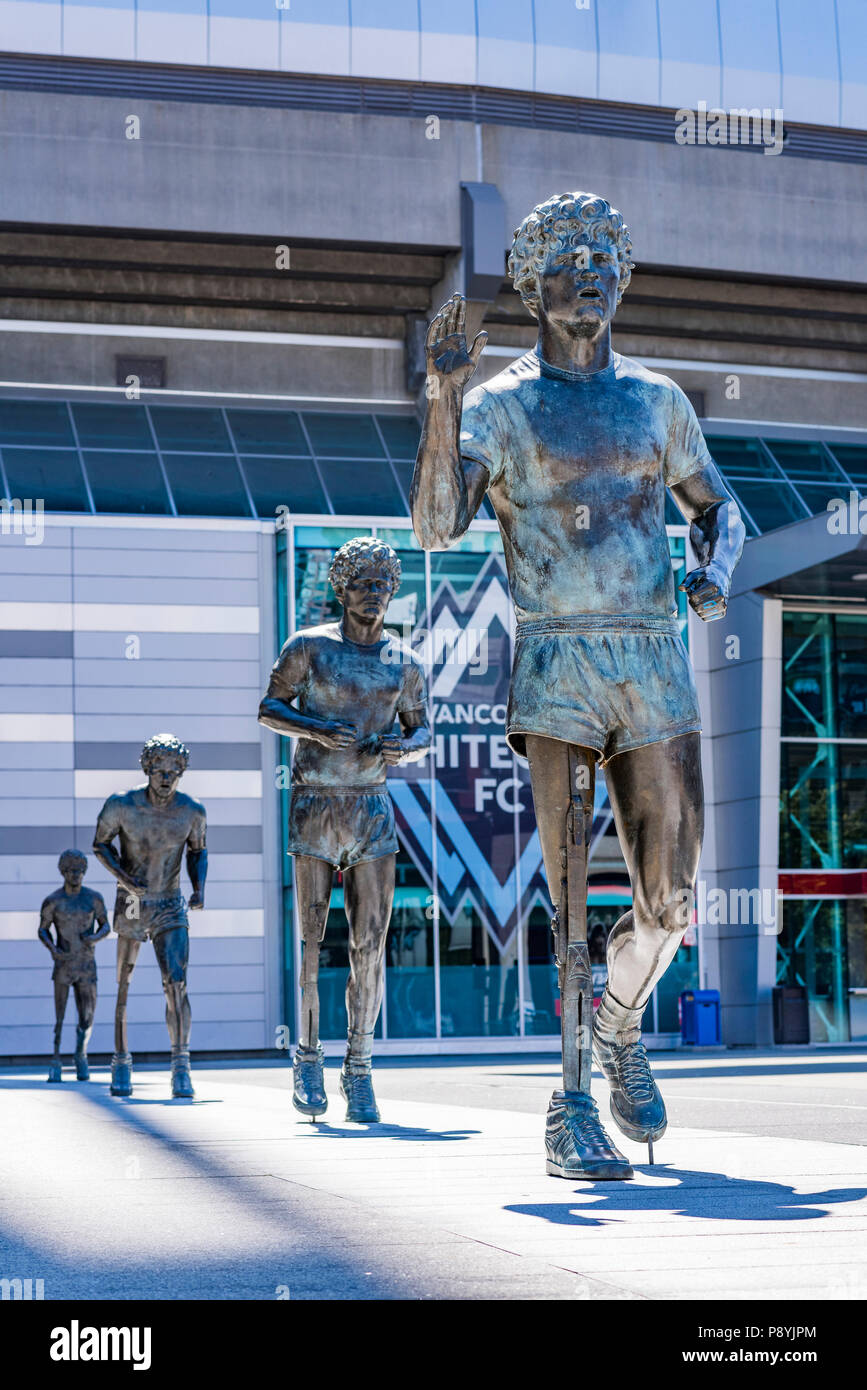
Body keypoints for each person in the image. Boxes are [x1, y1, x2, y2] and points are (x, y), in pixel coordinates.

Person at [411, 191, 745, 1179]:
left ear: (624, 276)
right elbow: (435, 526)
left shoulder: (659, 401)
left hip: (651, 655)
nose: (591, 271)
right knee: (564, 896)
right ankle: (566, 1107)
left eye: (606, 257)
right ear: (531, 283)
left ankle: (618, 1024)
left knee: (674, 899)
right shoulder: (500, 405)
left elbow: (720, 509)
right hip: (556, 656)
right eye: (568, 259)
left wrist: (714, 571)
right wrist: (439, 399)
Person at [259, 537, 430, 1122]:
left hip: (372, 808)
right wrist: (315, 728)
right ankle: (308, 1055)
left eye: (382, 584)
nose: (373, 594)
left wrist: (401, 747)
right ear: (340, 587)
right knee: (312, 943)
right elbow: (268, 708)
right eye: (361, 583)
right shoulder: (309, 647)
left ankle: (359, 1068)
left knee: (370, 944)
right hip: (315, 804)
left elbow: (423, 729)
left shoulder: (403, 661)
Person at [93, 733, 207, 1100]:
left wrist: (199, 888)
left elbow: (198, 851)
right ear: (147, 768)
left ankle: (181, 1065)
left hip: (170, 901)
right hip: (131, 901)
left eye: (174, 770)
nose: (166, 776)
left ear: (182, 772)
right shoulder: (121, 805)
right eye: (159, 768)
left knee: (177, 983)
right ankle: (121, 1060)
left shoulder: (192, 810)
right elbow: (100, 845)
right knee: (124, 983)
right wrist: (124, 877)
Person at [38, 849, 109, 1082]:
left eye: (80, 871)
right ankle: (56, 1059)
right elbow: (42, 929)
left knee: (87, 1016)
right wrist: (52, 949)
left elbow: (106, 926)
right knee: (59, 1016)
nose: (76, 875)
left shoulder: (94, 899)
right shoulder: (53, 901)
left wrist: (95, 938)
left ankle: (81, 1054)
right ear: (63, 872)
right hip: (64, 964)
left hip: (87, 965)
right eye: (71, 871)